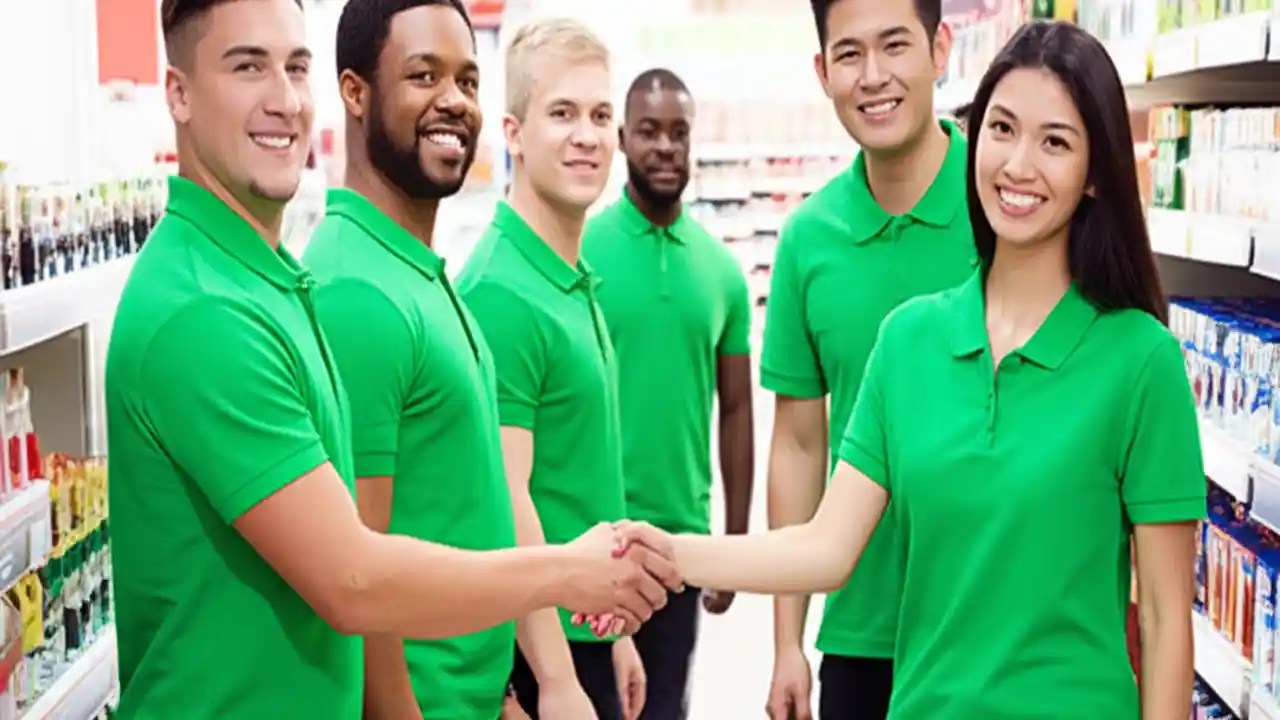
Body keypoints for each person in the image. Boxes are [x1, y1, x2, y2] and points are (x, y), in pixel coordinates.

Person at [612, 19, 1204, 719]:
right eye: (1002, 128)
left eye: (1055, 142)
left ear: (1096, 174)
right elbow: (827, 548)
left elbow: (1166, 620)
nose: (1018, 165)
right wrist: (667, 554)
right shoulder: (909, 341)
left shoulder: (1141, 362)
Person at [104, 2, 679, 718]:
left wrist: (499, 683)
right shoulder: (211, 311)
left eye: (295, 66)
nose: (282, 99)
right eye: (247, 66)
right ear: (179, 93)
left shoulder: (272, 279)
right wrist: (568, 575)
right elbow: (355, 576)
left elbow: (442, 513)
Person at [302, 2, 594, 718]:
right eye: (422, 75)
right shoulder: (356, 291)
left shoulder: (418, 271)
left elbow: (456, 509)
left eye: (467, 80)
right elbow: (360, 580)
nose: (453, 101)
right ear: (355, 91)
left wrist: (502, 688)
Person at [760, 1, 977, 718]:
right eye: (849, 55)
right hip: (859, 633)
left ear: (940, 48)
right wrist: (788, 639)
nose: (874, 76)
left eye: (895, 46)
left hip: (990, 622)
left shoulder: (1006, 205)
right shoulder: (808, 240)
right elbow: (797, 441)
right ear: (822, 72)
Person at [456, 18, 646, 720]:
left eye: (600, 115)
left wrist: (616, 627)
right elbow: (509, 500)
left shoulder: (571, 273)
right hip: (540, 655)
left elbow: (578, 477)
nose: (587, 135)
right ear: (513, 132)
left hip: (586, 630)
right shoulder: (501, 290)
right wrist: (559, 678)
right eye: (561, 113)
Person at [580, 67, 755, 720]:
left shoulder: (721, 272)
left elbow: (736, 410)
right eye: (649, 131)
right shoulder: (583, 250)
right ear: (624, 139)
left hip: (679, 547)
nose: (665, 147)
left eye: (679, 133)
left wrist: (733, 550)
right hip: (589, 538)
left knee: (662, 710)